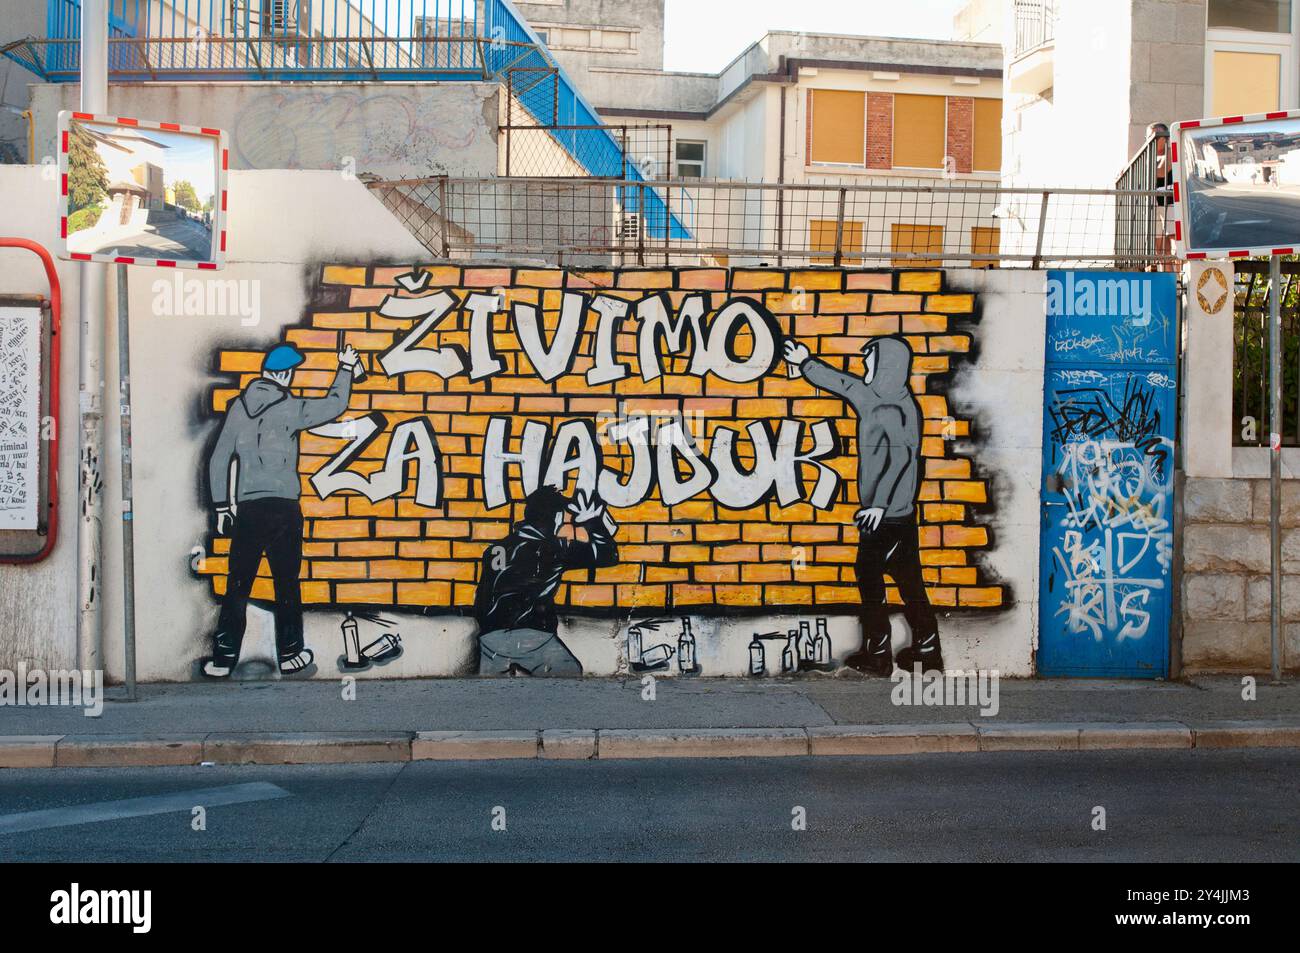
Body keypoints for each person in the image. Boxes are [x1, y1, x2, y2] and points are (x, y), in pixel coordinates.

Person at [783, 336, 943, 675]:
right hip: (895, 517)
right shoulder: (876, 398)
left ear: (886, 363)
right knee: (908, 584)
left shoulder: (895, 408)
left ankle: (880, 656)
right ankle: (927, 653)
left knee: (872, 580)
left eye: (869, 358)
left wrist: (879, 506)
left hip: (887, 518)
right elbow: (844, 384)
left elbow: (901, 459)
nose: (863, 364)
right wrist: (807, 362)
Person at [202, 342, 361, 678]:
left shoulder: (238, 407)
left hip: (247, 509)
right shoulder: (290, 407)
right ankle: (290, 654)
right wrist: (345, 368)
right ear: (285, 374)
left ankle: (222, 658)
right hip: (283, 509)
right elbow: (335, 405)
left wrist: (220, 507)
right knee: (286, 583)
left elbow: (219, 458)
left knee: (238, 585)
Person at [474, 486, 619, 676]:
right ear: (555, 518)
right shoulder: (553, 549)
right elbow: (608, 554)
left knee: (491, 689)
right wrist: (592, 522)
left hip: (490, 637)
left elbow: (482, 597)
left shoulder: (496, 549)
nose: (567, 524)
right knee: (569, 672)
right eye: (565, 519)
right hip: (534, 637)